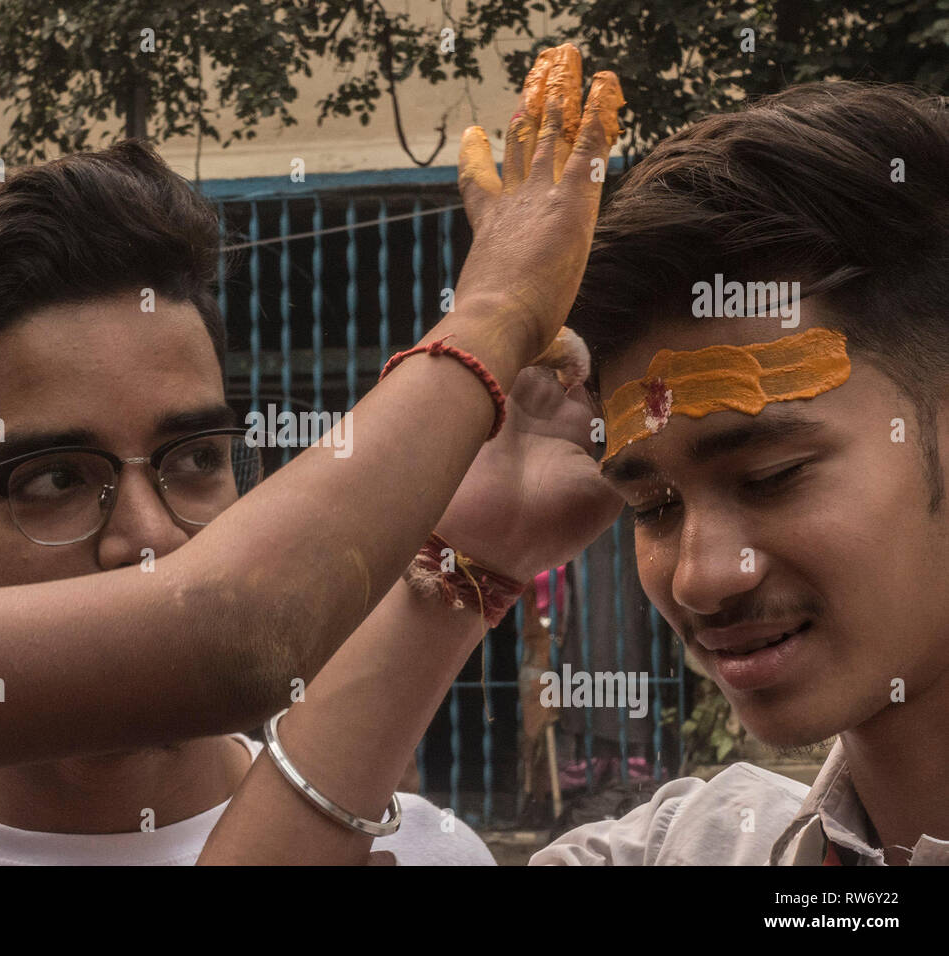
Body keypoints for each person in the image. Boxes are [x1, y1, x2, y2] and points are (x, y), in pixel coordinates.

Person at [0, 54, 622, 864]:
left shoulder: (428, 850)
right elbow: (233, 634)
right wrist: (491, 319)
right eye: (56, 480)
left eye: (196, 457)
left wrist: (463, 567)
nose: (152, 537)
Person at [199, 79, 949, 866]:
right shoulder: (689, 851)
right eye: (654, 506)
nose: (699, 578)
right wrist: (468, 565)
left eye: (773, 476)